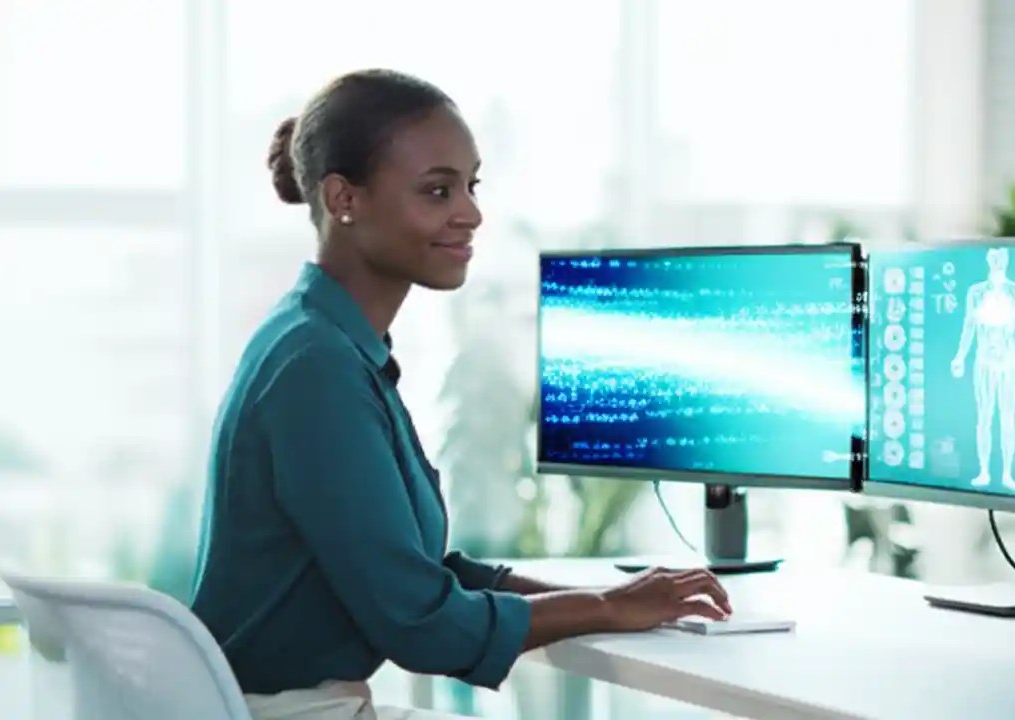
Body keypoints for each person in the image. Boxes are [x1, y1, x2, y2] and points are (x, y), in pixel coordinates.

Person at [189, 69, 732, 720]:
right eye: (437, 190)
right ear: (343, 199)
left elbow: (421, 571)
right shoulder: (316, 369)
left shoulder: (326, 341)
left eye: (470, 186)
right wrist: (608, 607)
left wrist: (598, 598)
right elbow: (423, 625)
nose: (471, 213)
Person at [949, 247, 1015, 492]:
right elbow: (968, 327)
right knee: (984, 416)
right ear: (987, 259)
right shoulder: (976, 293)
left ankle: (1007, 473)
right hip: (984, 360)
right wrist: (959, 356)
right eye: (993, 255)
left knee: (1008, 418)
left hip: (1009, 361)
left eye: (1001, 255)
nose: (997, 259)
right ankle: (984, 471)